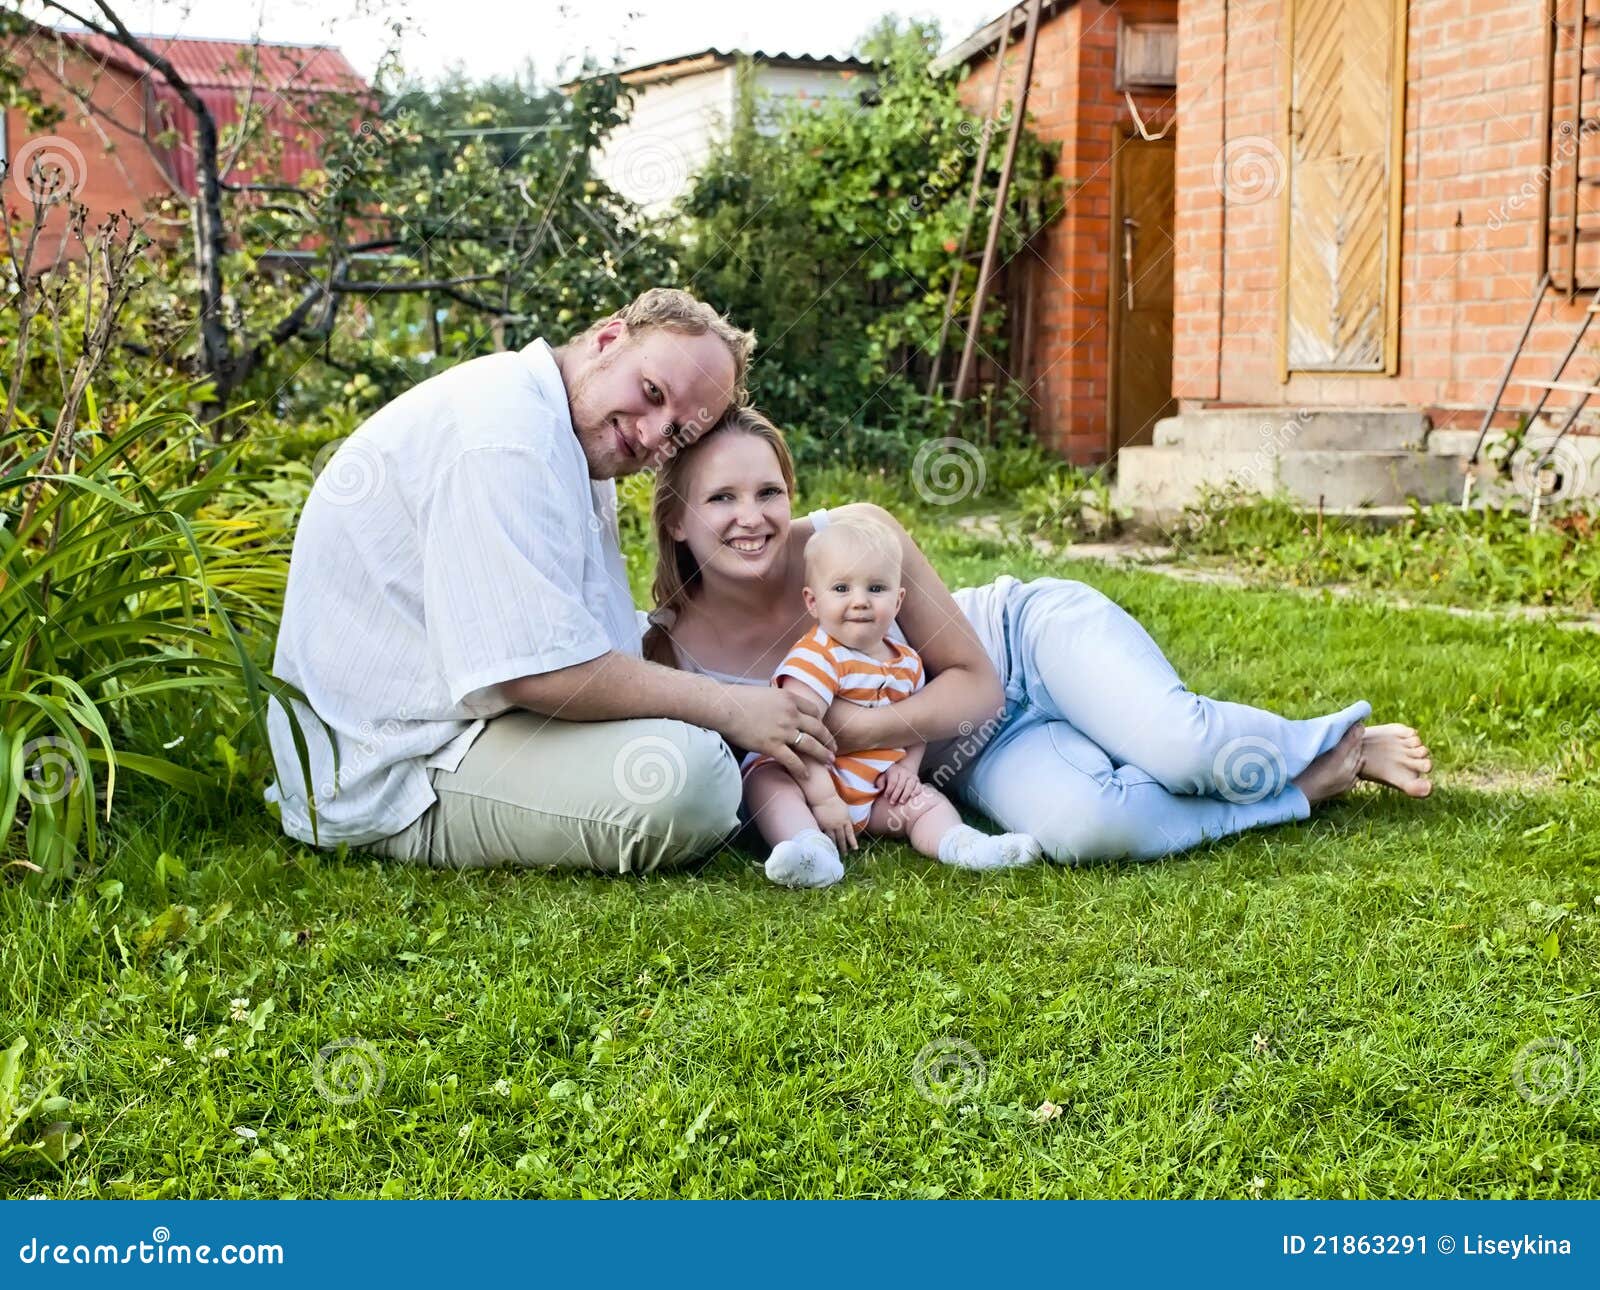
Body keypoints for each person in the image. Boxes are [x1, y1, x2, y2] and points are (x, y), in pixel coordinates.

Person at [643, 408, 1435, 867]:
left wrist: (858, 729)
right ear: (676, 519)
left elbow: (976, 683)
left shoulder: (851, 538)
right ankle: (1303, 787)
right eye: (721, 499)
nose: (752, 518)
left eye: (769, 491)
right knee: (1091, 829)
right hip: (963, 755)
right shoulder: (669, 650)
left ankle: (1332, 737)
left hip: (1021, 646)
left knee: (1183, 746)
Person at [265, 288, 839, 874]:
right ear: (610, 338)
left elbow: (585, 639)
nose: (651, 436)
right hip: (396, 769)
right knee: (690, 777)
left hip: (470, 724)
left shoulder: (566, 432)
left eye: (677, 434)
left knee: (694, 738)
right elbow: (537, 673)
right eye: (651, 393)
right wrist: (730, 707)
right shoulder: (509, 435)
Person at [742, 513, 1042, 888]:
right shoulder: (815, 657)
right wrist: (823, 799)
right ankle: (810, 848)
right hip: (808, 781)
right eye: (841, 589)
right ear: (813, 601)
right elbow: (798, 734)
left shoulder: (909, 663)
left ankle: (964, 845)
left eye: (876, 588)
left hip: (874, 790)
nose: (860, 602)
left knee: (925, 803)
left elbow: (915, 726)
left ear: (898, 600)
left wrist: (907, 768)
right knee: (768, 782)